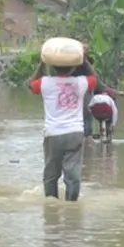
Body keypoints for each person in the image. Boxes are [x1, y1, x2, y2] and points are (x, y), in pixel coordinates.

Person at [29, 55, 97, 201]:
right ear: (73, 67)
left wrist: (42, 63)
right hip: (75, 133)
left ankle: (51, 203)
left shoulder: (45, 82)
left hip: (53, 133)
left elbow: (30, 84)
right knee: (73, 173)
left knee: (51, 174)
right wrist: (84, 60)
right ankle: (71, 204)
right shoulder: (81, 82)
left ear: (52, 67)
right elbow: (94, 78)